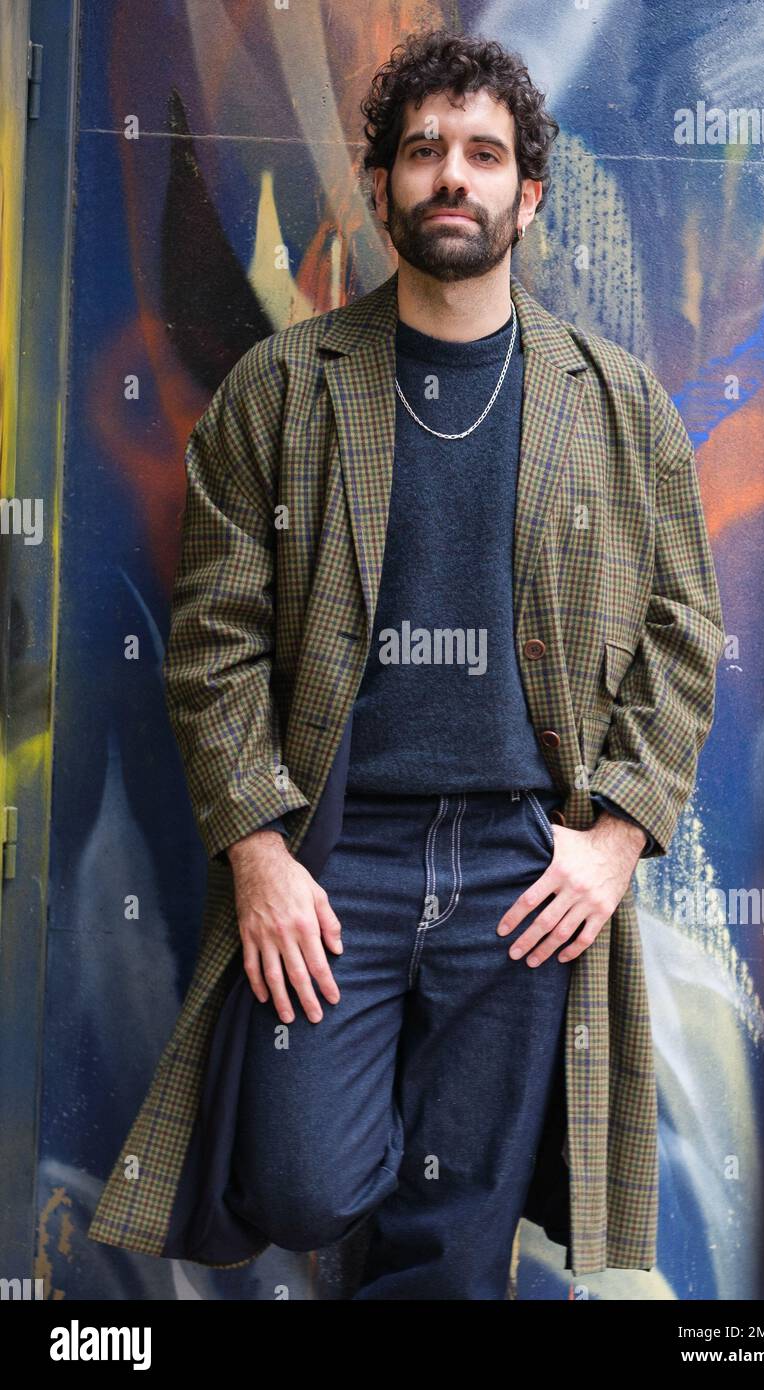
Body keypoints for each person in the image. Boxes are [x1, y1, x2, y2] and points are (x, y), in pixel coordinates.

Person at [87, 28, 725, 1298]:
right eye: (423, 150)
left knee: (455, 1243)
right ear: (377, 187)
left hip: (521, 866)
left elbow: (684, 631)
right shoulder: (281, 392)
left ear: (526, 196)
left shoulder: (613, 404)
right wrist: (260, 854)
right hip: (338, 862)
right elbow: (213, 645)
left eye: (484, 155)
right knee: (303, 1180)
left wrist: (611, 843)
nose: (454, 177)